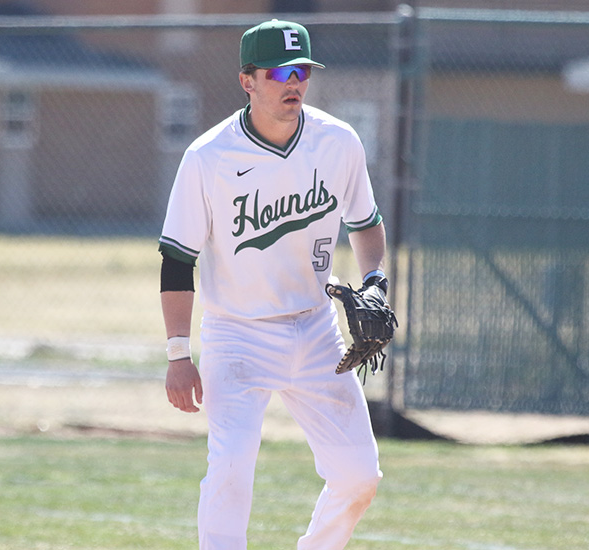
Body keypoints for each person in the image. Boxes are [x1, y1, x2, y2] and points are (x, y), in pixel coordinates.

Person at [158, 19, 386, 550]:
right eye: (281, 71)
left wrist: (374, 281)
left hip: (315, 330)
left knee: (359, 476)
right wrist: (176, 353)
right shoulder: (208, 157)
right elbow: (176, 261)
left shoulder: (338, 141)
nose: (295, 82)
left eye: (302, 70)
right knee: (232, 466)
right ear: (248, 81)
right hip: (236, 334)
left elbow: (366, 223)